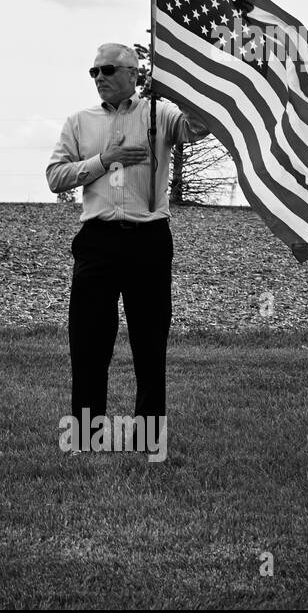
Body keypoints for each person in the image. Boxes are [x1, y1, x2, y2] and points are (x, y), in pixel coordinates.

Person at [46, 43, 208, 448]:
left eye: (108, 69)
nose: (99, 77)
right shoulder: (79, 122)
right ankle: (87, 433)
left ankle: (149, 435)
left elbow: (196, 127)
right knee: (87, 342)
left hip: (148, 241)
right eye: (94, 71)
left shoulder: (158, 114)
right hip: (96, 241)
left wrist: (192, 87)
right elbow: (55, 177)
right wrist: (105, 159)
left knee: (150, 343)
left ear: (133, 74)